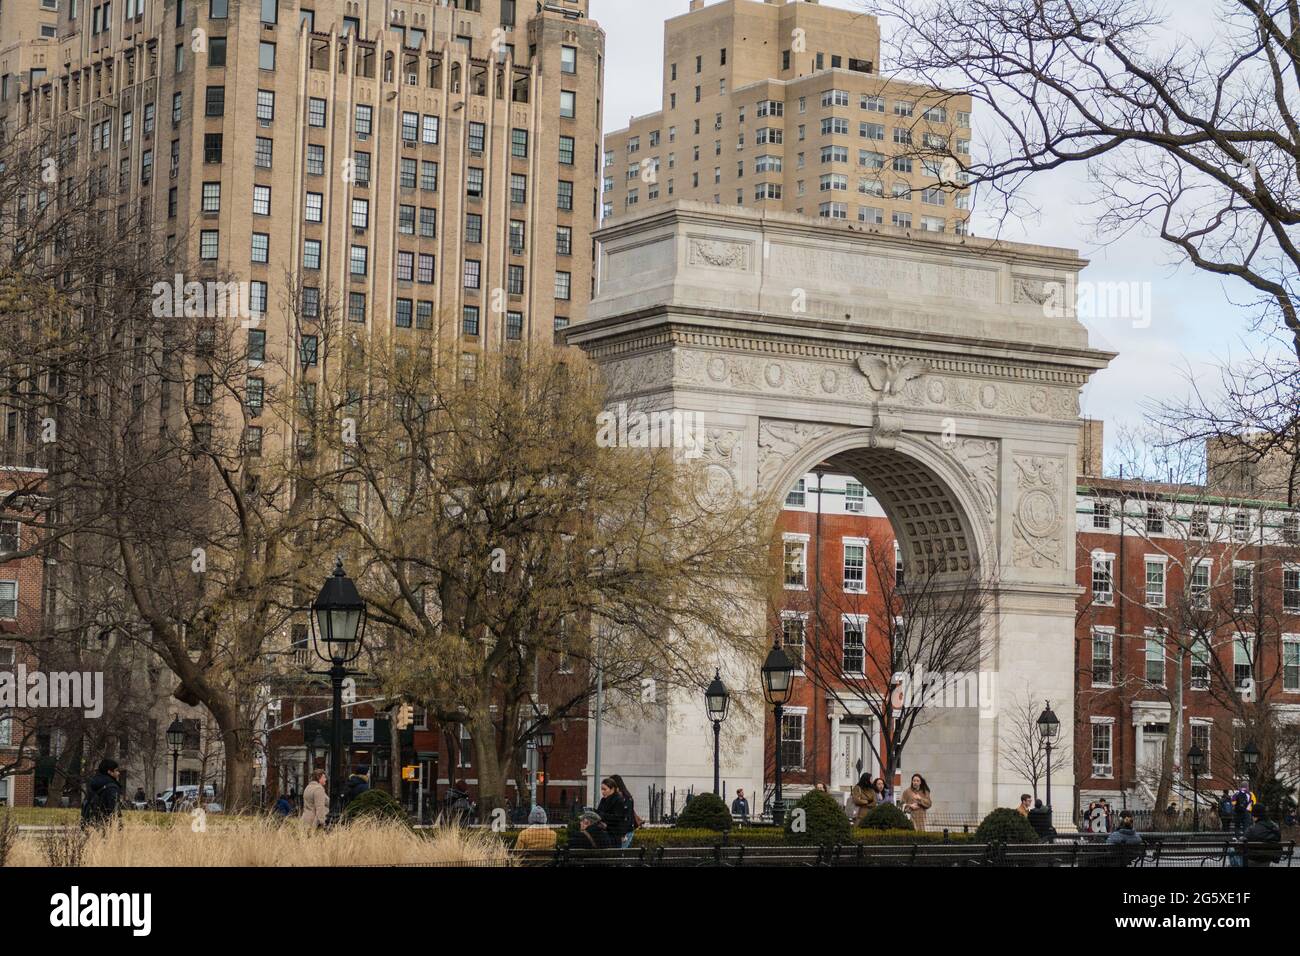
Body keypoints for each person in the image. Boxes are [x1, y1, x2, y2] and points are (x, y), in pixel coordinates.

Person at [80, 758, 123, 828]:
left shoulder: (93, 783)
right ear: (109, 772)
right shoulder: (112, 787)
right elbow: (114, 809)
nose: (118, 773)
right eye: (116, 770)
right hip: (106, 827)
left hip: (90, 825)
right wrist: (119, 826)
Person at [596, 777, 630, 847]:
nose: (602, 792)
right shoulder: (603, 800)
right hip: (604, 834)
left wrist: (603, 818)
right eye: (602, 789)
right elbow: (599, 812)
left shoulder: (618, 800)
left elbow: (617, 818)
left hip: (614, 835)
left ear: (612, 789)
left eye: (605, 789)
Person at [610, 774, 639, 848]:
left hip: (625, 832)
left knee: (619, 853)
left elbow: (626, 818)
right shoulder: (622, 798)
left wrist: (622, 834)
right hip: (622, 831)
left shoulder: (625, 799)